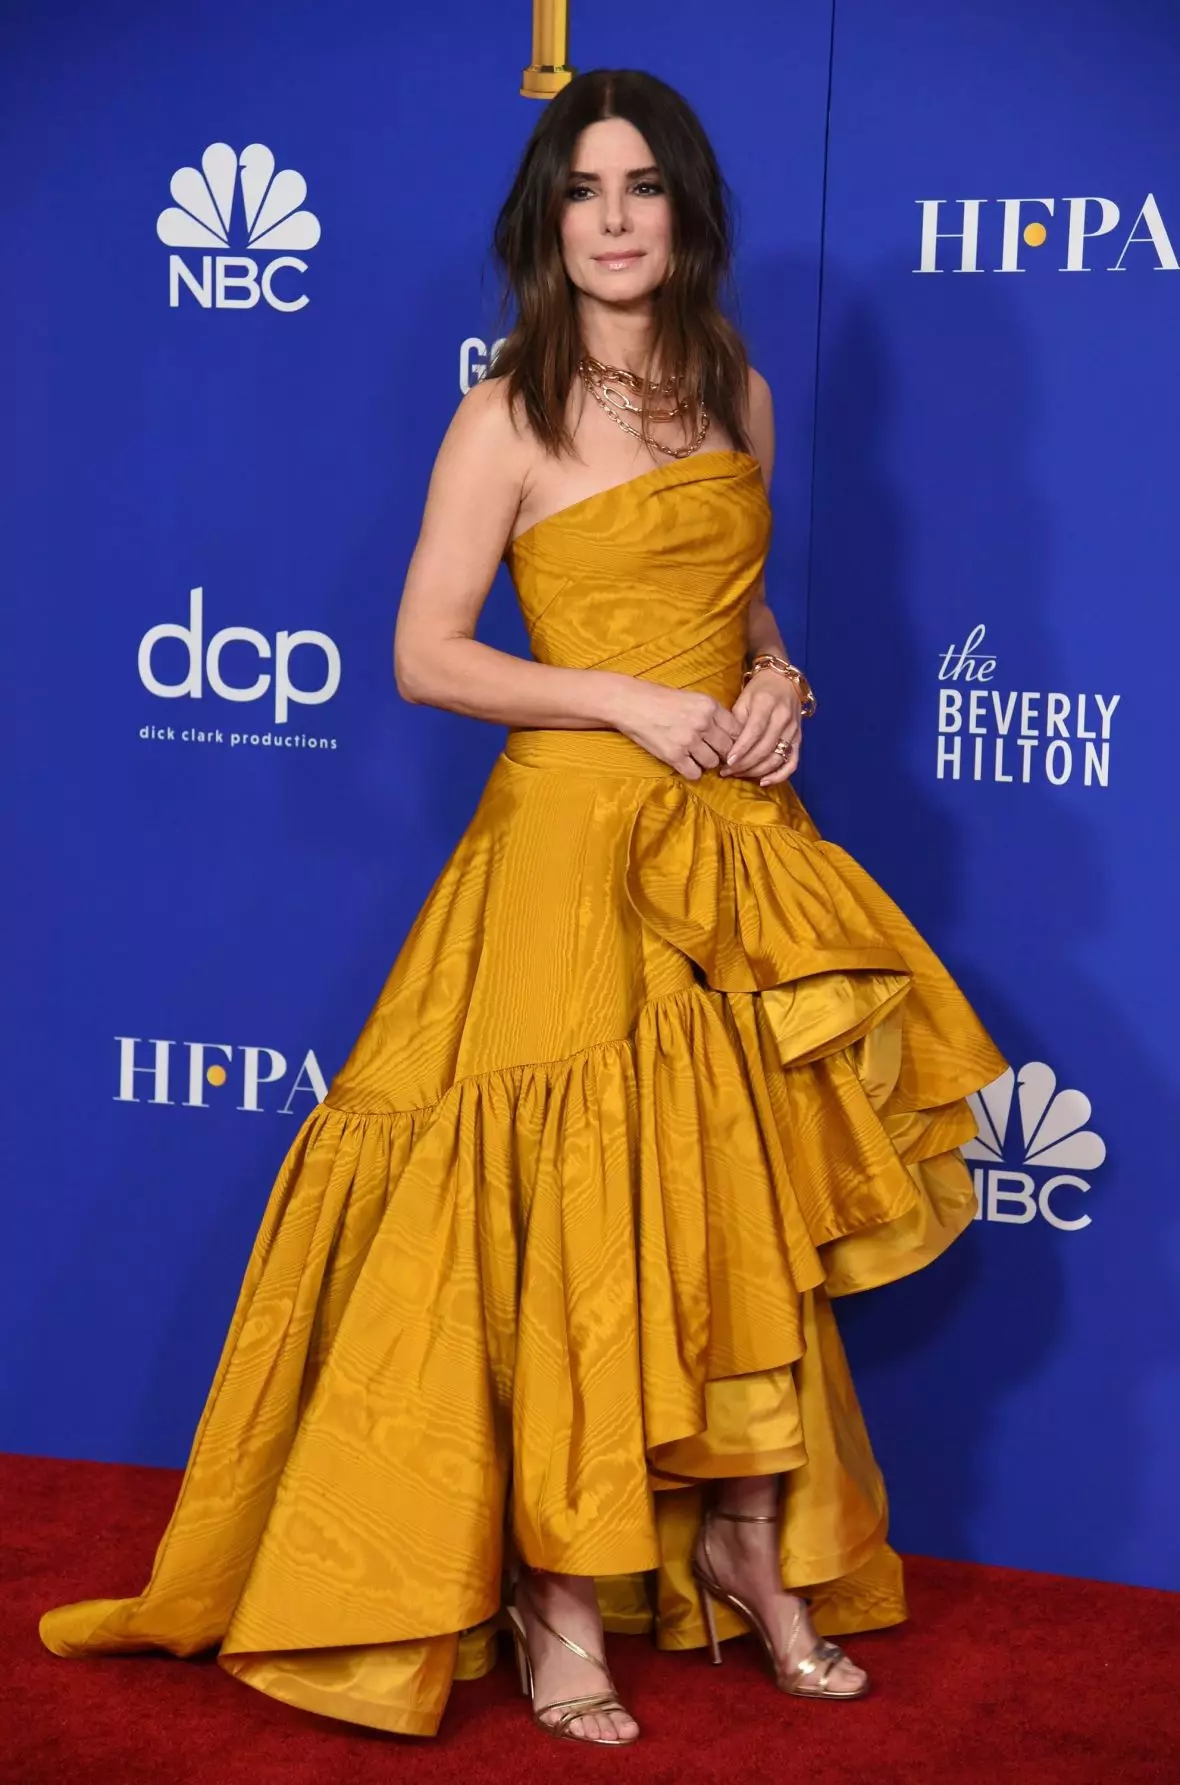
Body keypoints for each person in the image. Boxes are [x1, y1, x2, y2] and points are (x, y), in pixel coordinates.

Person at [39, 68, 1005, 1749]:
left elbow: (736, 591)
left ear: (687, 211)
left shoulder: (739, 393)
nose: (617, 218)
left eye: (643, 187)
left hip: (736, 851)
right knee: (567, 1221)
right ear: (544, 222)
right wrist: (623, 700)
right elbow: (423, 653)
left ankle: (751, 1550)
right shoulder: (505, 415)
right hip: (568, 856)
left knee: (732, 1211)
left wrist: (780, 675)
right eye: (584, 190)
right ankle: (554, 1592)